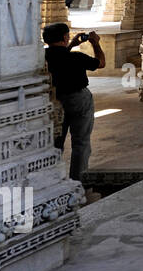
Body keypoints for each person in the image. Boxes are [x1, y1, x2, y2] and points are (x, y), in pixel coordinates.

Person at [42, 22, 105, 183]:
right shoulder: (76, 57)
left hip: (54, 100)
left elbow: (59, 56)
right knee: (81, 142)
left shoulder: (43, 57)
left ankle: (53, 179)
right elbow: (100, 63)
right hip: (78, 99)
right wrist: (95, 43)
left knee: (56, 141)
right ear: (65, 37)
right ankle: (78, 181)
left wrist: (70, 45)